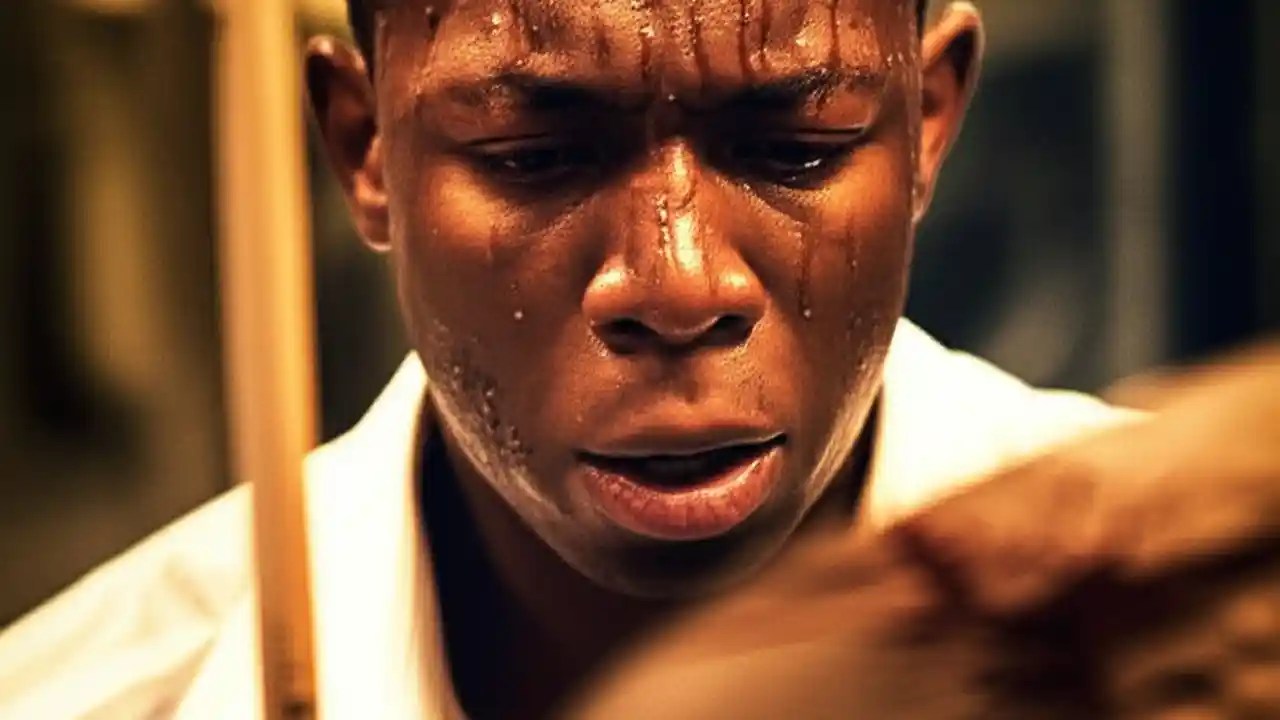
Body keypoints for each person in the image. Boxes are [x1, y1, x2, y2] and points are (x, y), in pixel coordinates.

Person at [0, 0, 1276, 717]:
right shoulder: (95, 697)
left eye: (795, 148)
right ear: (363, 149)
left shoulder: (1208, 634)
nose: (676, 286)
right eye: (532, 156)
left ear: (927, 124)